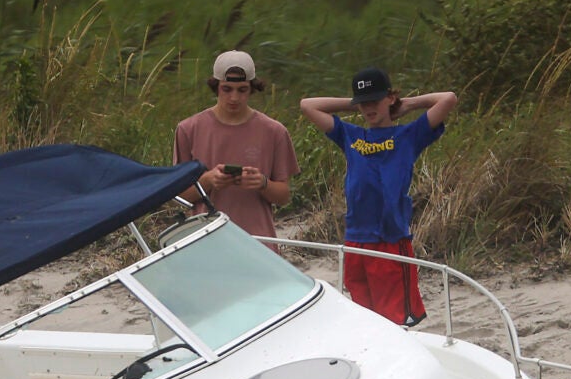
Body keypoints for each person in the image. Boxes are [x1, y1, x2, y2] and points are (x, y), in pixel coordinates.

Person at [299, 66, 458, 325]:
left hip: (390, 239)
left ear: (390, 98)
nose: (368, 108)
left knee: (396, 320)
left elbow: (448, 99)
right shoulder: (350, 135)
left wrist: (405, 105)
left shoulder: (409, 135)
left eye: (374, 101)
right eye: (363, 103)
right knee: (366, 319)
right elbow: (307, 105)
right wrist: (354, 105)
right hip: (356, 241)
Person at [172, 50, 295, 240]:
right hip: (206, 240)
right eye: (227, 89)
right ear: (216, 87)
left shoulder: (275, 132)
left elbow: (284, 196)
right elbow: (178, 197)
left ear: (252, 88)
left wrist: (262, 183)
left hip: (258, 242)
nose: (234, 98)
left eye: (242, 90)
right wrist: (208, 180)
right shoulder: (188, 129)